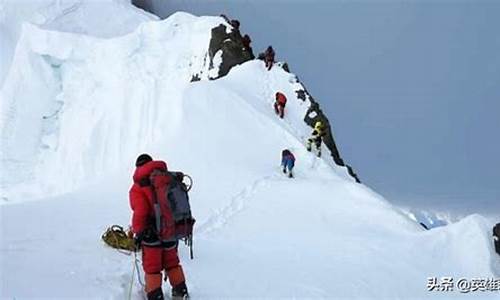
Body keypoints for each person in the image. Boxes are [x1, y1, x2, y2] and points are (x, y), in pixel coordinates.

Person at [129, 154, 189, 300]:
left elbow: (141, 210)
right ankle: (181, 292)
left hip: (151, 235)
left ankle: (155, 296)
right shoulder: (167, 179)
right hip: (170, 230)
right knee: (172, 263)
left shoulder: (138, 187)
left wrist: (138, 232)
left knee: (152, 267)